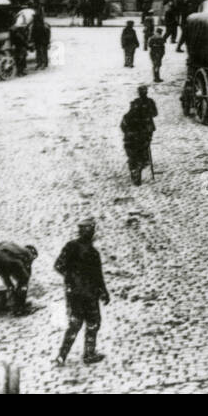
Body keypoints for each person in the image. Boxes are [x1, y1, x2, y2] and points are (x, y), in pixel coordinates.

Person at [54, 217, 110, 366]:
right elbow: (98, 276)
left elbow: (58, 265)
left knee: (75, 323)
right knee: (93, 323)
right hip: (90, 294)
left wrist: (70, 278)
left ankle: (62, 356)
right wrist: (104, 292)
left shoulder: (70, 246)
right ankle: (89, 354)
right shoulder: (93, 253)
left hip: (73, 294)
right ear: (91, 233)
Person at [0, 242, 38, 316]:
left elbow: (4, 273)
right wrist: (21, 289)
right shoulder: (28, 253)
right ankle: (19, 309)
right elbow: (26, 275)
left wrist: (10, 287)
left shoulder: (14, 248)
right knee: (23, 280)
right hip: (6, 258)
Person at [120, 85, 157, 185]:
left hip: (138, 134)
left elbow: (124, 125)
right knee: (140, 152)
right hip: (142, 133)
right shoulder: (149, 102)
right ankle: (138, 169)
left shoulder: (135, 106)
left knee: (136, 154)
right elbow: (155, 114)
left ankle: (136, 170)